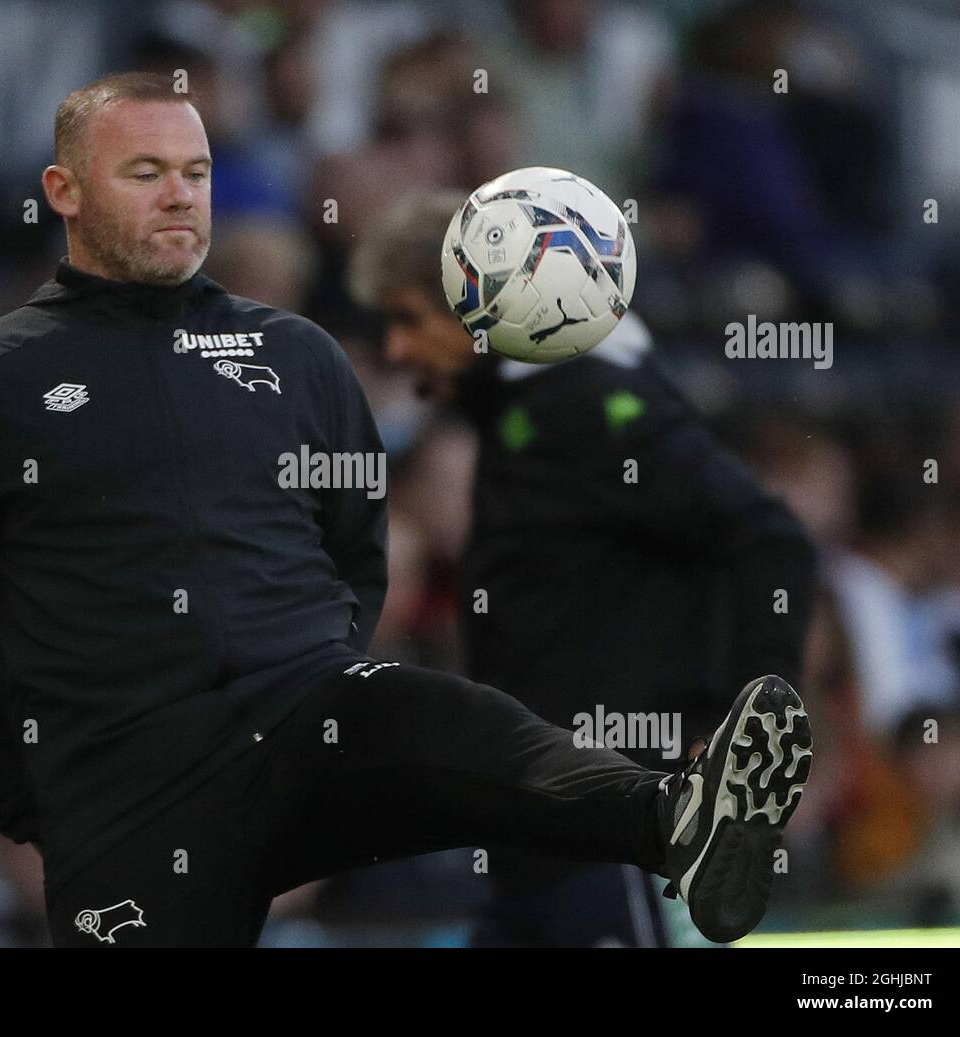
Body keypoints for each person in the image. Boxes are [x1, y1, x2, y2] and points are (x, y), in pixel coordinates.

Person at [0, 72, 812, 948]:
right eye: (146, 172)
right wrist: (25, 793)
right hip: (126, 785)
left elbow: (357, 553)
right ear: (65, 190)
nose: (180, 195)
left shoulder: (299, 355)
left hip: (305, 715)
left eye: (197, 173)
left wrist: (313, 667)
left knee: (452, 719)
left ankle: (674, 816)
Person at [349, 191, 819, 945]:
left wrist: (746, 733)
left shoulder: (592, 404)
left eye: (409, 318)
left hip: (606, 831)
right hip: (544, 835)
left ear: (480, 306)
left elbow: (769, 538)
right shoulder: (530, 410)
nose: (396, 350)